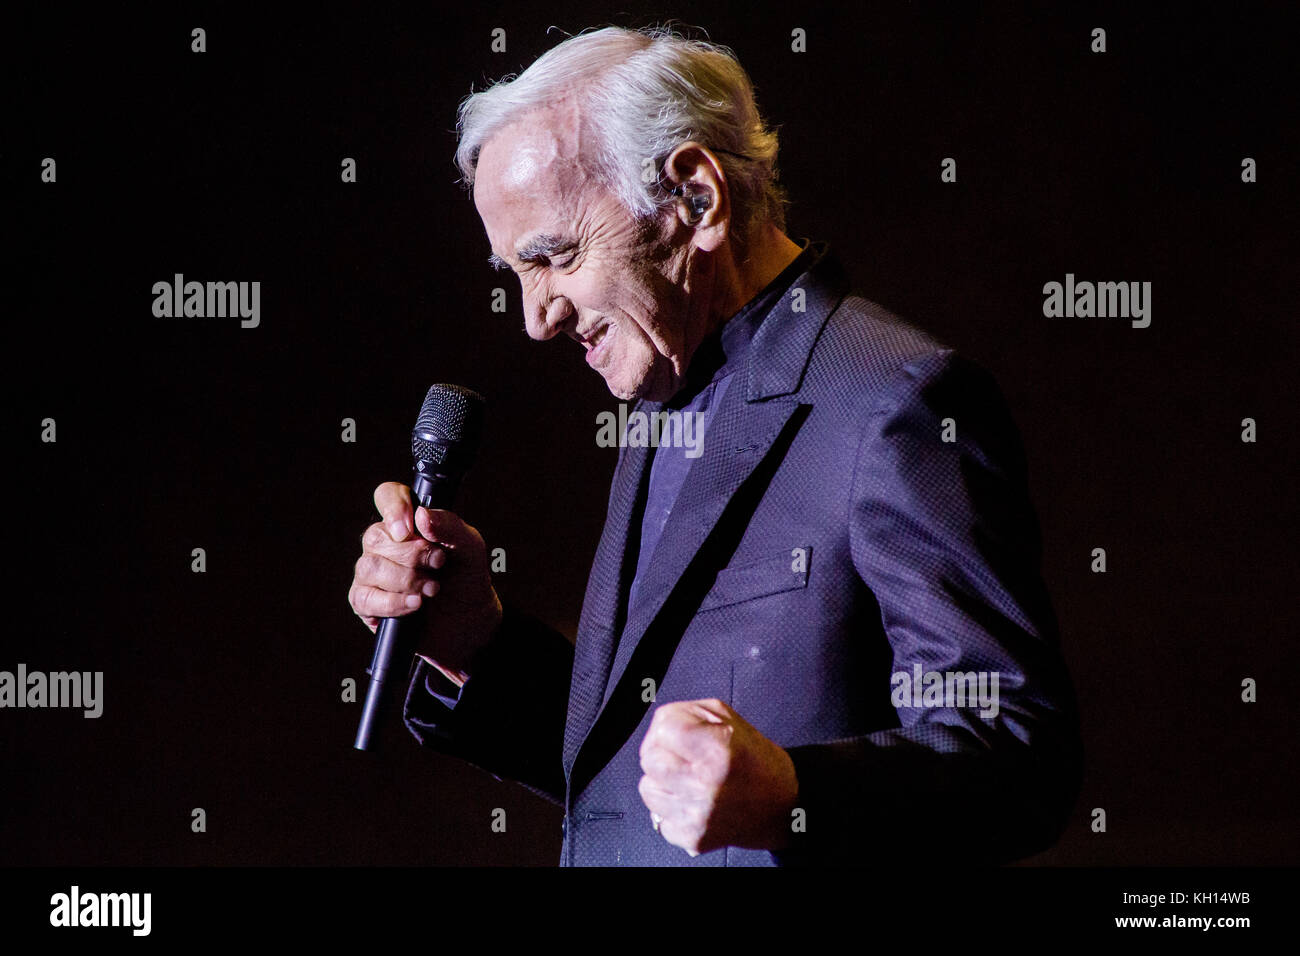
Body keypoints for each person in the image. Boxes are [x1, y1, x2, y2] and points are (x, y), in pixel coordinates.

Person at [347, 25, 1082, 866]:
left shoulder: (895, 403)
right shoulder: (670, 383)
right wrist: (479, 641)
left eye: (554, 257)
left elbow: (1021, 760)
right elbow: (637, 771)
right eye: (514, 273)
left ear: (695, 199)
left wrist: (796, 798)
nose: (535, 317)